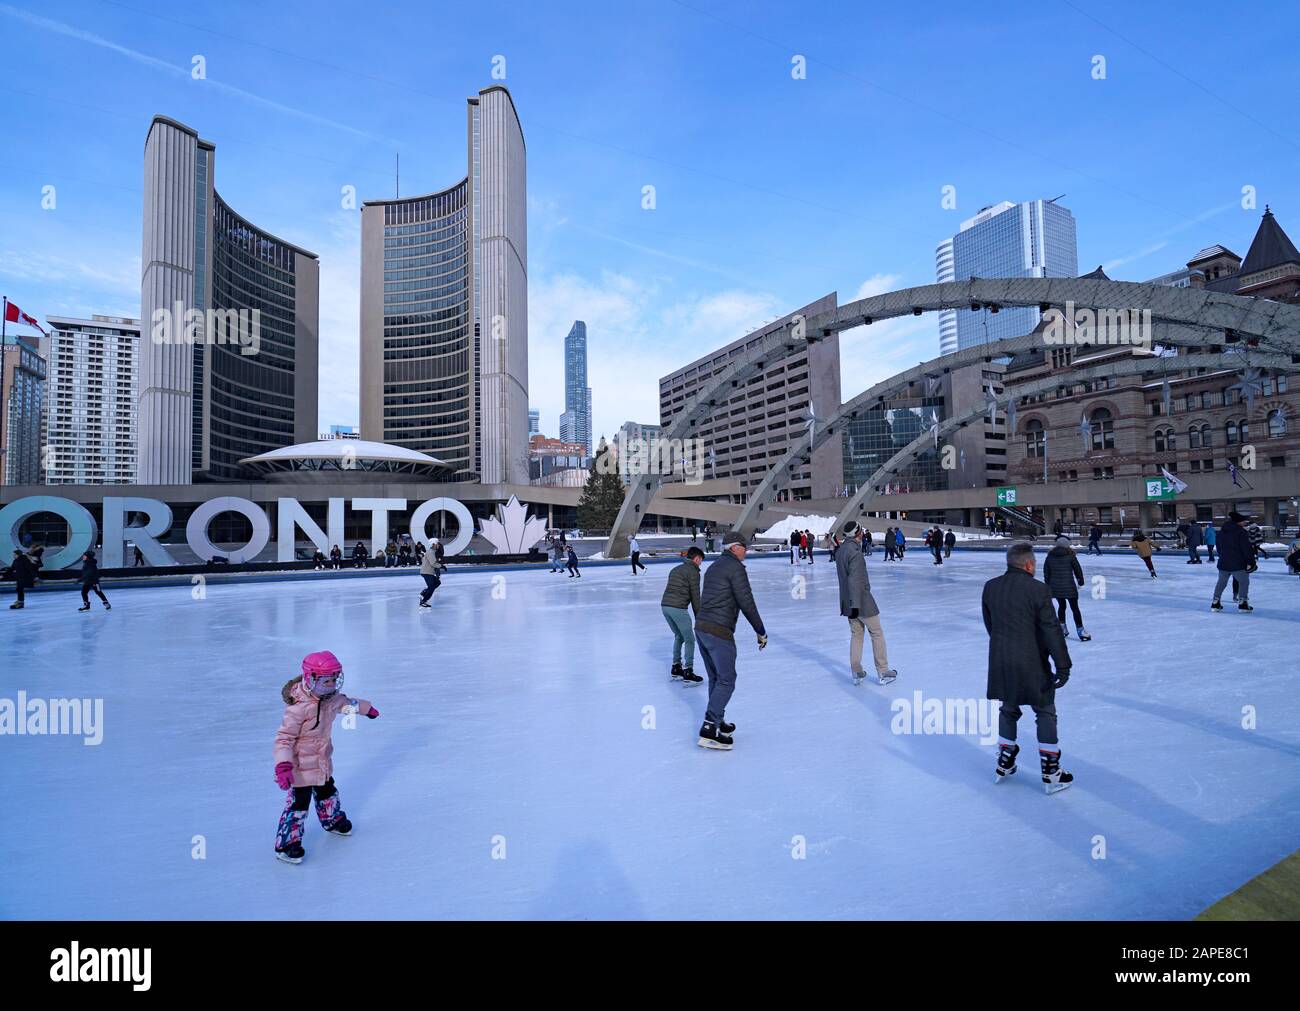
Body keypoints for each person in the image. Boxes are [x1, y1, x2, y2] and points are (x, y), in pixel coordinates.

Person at [982, 542, 1074, 794]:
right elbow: (1051, 630)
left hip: (1001, 661)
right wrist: (1063, 664)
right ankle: (1051, 771)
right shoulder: (1039, 590)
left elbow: (990, 624)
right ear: (1029, 565)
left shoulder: (991, 587)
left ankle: (1005, 761)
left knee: (1008, 709)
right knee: (1045, 711)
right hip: (1032, 662)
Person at [272, 651, 379, 864]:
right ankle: (287, 844)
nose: (330, 685)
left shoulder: (331, 699)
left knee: (328, 792)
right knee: (298, 804)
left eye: (333, 680)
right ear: (310, 678)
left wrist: (366, 709)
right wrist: (283, 765)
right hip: (300, 766)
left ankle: (332, 820)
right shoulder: (298, 707)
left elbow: (348, 703)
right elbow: (284, 738)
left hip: (321, 761)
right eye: (325, 681)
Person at [694, 532, 767, 750]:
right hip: (718, 630)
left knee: (716, 678)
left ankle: (716, 720)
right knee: (727, 679)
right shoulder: (735, 568)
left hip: (702, 627)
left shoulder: (713, 567)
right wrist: (760, 630)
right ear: (734, 547)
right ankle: (709, 728)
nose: (747, 550)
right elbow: (747, 602)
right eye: (744, 546)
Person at [835, 520, 897, 686]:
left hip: (848, 602)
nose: (862, 534)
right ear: (857, 534)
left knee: (856, 635)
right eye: (861, 531)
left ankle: (856, 671)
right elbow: (854, 580)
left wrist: (850, 605)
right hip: (861, 602)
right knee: (876, 633)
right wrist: (856, 605)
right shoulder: (854, 552)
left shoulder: (841, 550)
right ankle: (883, 671)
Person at [662, 547, 705, 685]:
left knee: (679, 636)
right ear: (697, 558)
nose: (700, 564)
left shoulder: (675, 569)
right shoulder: (693, 572)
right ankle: (688, 671)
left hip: (665, 607)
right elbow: (695, 597)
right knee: (690, 639)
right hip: (677, 608)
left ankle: (676, 667)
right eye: (701, 561)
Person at [1043, 535, 1090, 641]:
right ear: (1067, 545)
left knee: (1061, 606)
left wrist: (1047, 585)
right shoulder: (1071, 556)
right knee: (1075, 608)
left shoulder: (1050, 556)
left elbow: (1046, 572)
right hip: (1069, 587)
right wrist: (1080, 581)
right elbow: (1078, 570)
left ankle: (1062, 628)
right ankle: (1081, 631)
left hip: (1055, 587)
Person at [1211, 511, 1255, 612]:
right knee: (1244, 582)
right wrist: (1251, 561)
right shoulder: (1241, 532)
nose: (1245, 523)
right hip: (1238, 563)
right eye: (1244, 521)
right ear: (1238, 522)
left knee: (1221, 582)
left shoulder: (1221, 532)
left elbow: (1218, 548)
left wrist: (1223, 556)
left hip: (1223, 563)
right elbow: (1246, 549)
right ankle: (1243, 603)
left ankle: (1215, 603)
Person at [417, 542, 442, 609]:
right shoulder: (431, 552)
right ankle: (423, 602)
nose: (438, 545)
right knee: (431, 587)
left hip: (428, 572)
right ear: (433, 544)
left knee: (437, 582)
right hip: (426, 572)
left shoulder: (432, 551)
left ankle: (423, 593)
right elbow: (433, 563)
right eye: (437, 544)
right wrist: (441, 566)